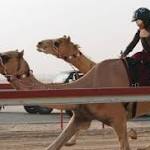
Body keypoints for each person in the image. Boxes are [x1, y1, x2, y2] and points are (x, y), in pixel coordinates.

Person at [121, 7, 150, 85]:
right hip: (146, 54)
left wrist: (147, 36)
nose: (137, 24)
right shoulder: (141, 30)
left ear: (145, 20)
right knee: (134, 59)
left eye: (138, 21)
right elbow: (133, 43)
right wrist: (124, 54)